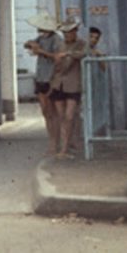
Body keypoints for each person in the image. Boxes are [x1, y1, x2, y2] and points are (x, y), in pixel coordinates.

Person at [23, 13, 62, 155]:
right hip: (40, 77)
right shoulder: (41, 38)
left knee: (53, 112)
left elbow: (58, 57)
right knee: (46, 112)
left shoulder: (56, 39)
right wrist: (31, 44)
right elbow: (28, 44)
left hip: (50, 78)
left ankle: (55, 142)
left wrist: (42, 52)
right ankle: (51, 139)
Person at [49, 16, 87, 159]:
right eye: (65, 32)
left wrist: (68, 54)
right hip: (58, 84)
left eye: (70, 32)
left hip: (73, 85)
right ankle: (63, 147)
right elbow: (56, 64)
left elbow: (83, 54)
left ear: (75, 31)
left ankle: (67, 146)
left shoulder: (81, 44)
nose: (67, 35)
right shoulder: (60, 45)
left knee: (70, 116)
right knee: (61, 117)